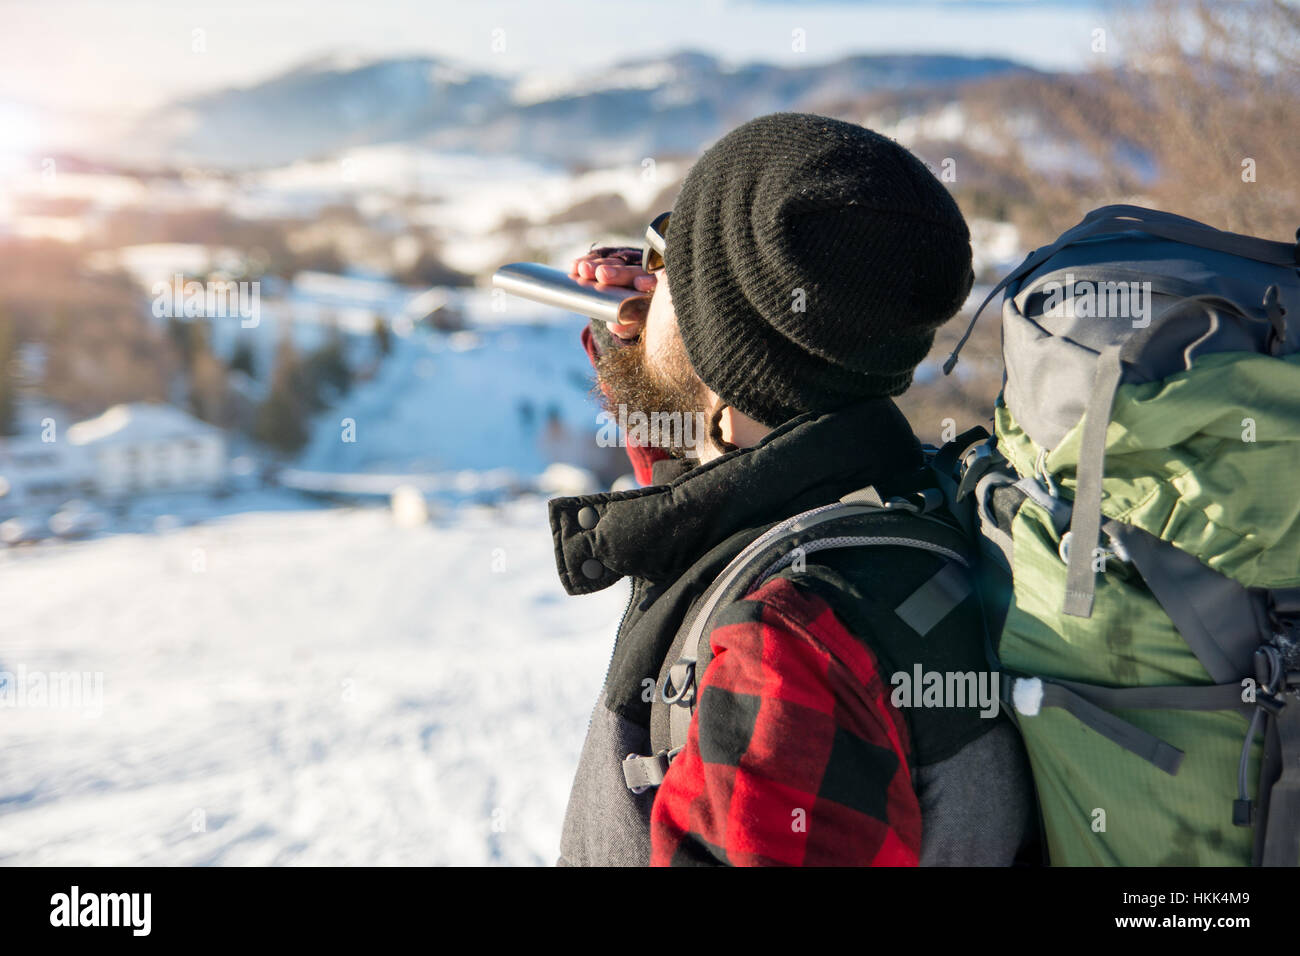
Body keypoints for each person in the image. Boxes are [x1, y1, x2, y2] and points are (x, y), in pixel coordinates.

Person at [551, 112, 1033, 866]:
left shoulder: (784, 649)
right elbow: (722, 501)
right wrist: (658, 360)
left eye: (670, 255)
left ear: (727, 339)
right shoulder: (899, 495)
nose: (646, 270)